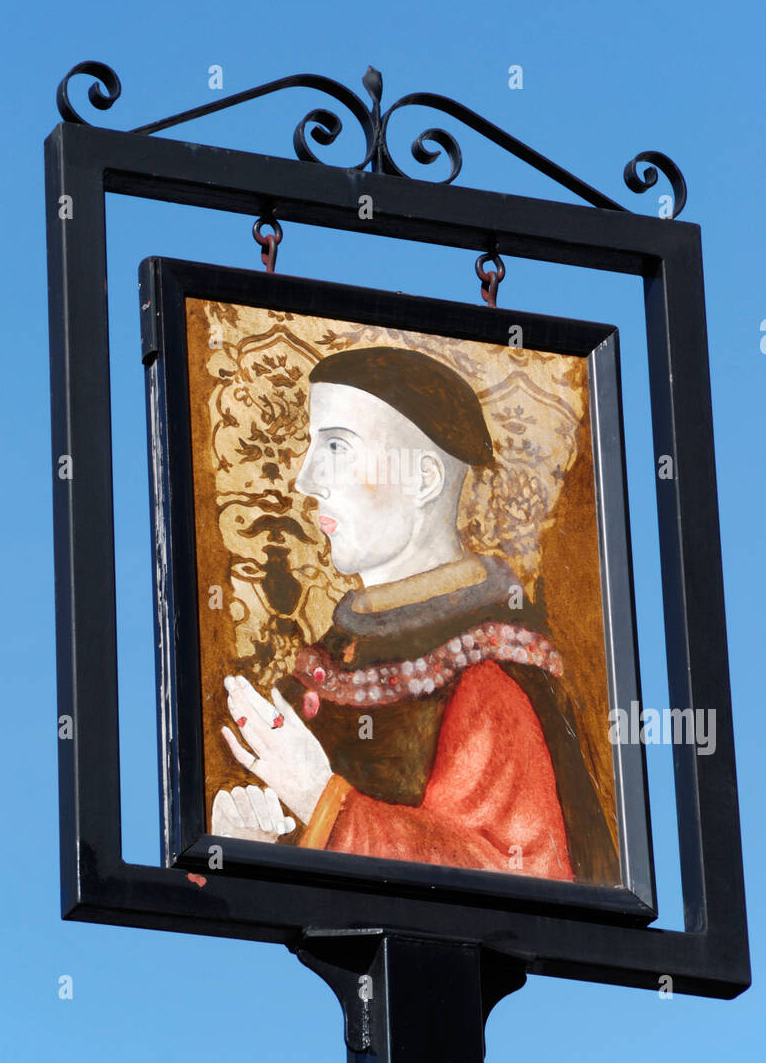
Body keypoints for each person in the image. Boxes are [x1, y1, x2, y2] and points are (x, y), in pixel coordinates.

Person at [212, 346, 618, 884]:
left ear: (424, 479)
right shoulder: (335, 655)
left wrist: (319, 798)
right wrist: (248, 848)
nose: (306, 480)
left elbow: (519, 879)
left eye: (336, 446)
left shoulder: (490, 676)